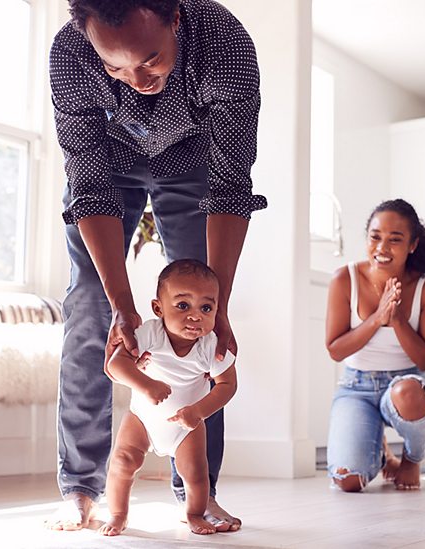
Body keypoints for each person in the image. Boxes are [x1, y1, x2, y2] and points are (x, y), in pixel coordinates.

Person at [45, 0, 264, 532]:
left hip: (193, 165)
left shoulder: (224, 41)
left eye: (149, 60)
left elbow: (230, 182)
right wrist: (122, 307)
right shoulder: (71, 51)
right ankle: (79, 487)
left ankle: (198, 494)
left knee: (201, 322)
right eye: (114, 67)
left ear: (175, 20)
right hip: (109, 167)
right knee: (91, 309)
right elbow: (90, 185)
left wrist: (221, 307)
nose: (135, 79)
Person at [99, 259, 237, 536]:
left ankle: (195, 514)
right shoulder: (150, 332)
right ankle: (117, 514)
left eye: (206, 307)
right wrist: (146, 384)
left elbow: (227, 386)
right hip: (143, 418)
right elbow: (116, 364)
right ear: (158, 308)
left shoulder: (212, 346)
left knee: (196, 473)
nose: (195, 315)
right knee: (123, 461)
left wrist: (198, 411)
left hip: (186, 424)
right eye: (183, 305)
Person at [324, 199, 425, 492]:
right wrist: (377, 319)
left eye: (395, 240)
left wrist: (399, 320)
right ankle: (381, 455)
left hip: (408, 384)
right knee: (347, 481)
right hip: (356, 387)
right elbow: (335, 350)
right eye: (375, 237)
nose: (382, 248)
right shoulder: (344, 279)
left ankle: (412, 459)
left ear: (413, 245)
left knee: (407, 392)